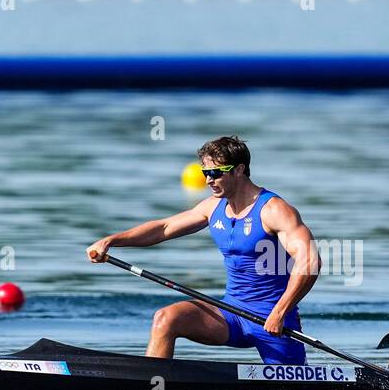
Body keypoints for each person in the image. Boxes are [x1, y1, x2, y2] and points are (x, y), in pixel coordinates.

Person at [86, 135, 318, 364]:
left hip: (273, 317)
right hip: (230, 313)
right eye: (205, 173)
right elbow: (163, 229)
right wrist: (112, 240)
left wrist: (279, 312)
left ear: (239, 170)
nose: (209, 180)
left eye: (216, 173)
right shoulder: (213, 207)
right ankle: (154, 385)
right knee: (166, 318)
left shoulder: (274, 210)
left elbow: (309, 261)